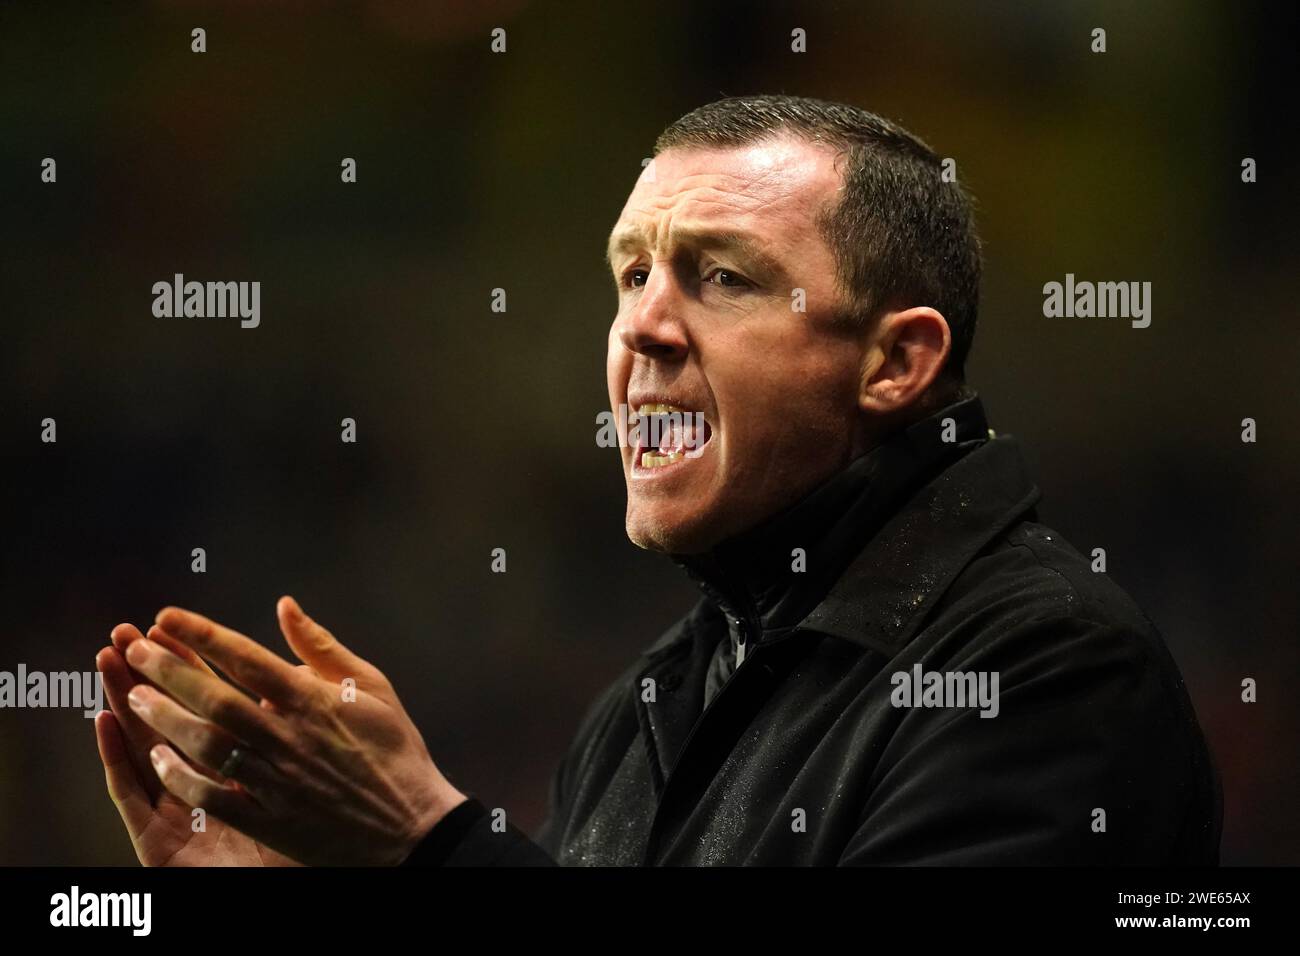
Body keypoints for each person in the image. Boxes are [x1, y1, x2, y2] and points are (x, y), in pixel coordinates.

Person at [93, 94, 1221, 866]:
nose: (642, 326)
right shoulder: (648, 705)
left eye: (720, 275)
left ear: (896, 362)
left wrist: (432, 842)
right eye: (629, 274)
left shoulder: (1046, 666)